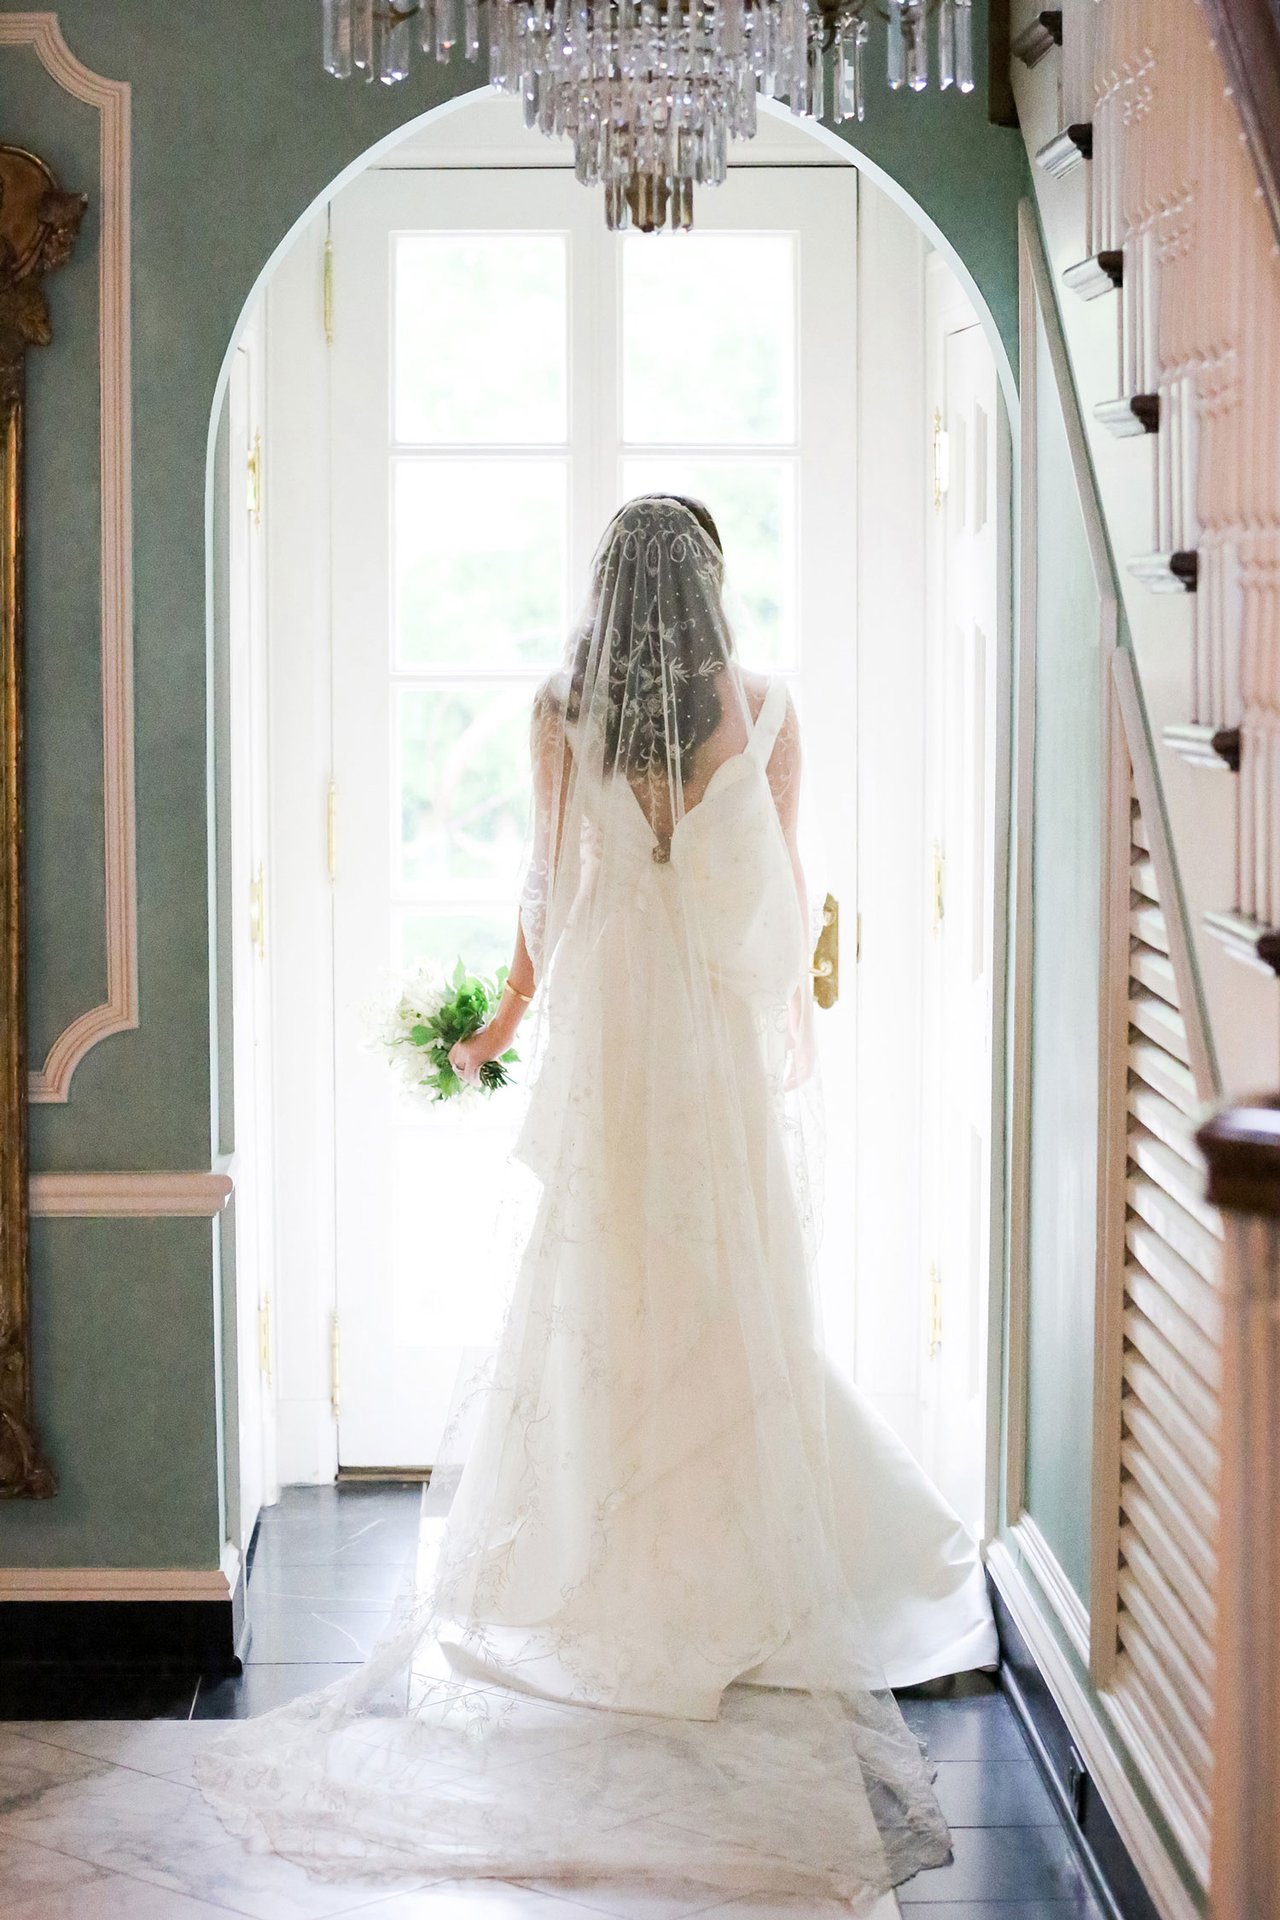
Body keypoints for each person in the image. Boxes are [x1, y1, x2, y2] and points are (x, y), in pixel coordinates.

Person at [196, 496, 996, 1908]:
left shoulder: (560, 708)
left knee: (599, 1295)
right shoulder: (765, 708)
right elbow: (776, 894)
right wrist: (781, 1029)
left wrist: (501, 1030)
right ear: (711, 589)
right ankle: (731, 1563)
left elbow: (545, 896)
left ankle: (604, 1560)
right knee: (725, 1294)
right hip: (707, 1056)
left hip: (614, 1046)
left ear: (607, 590)